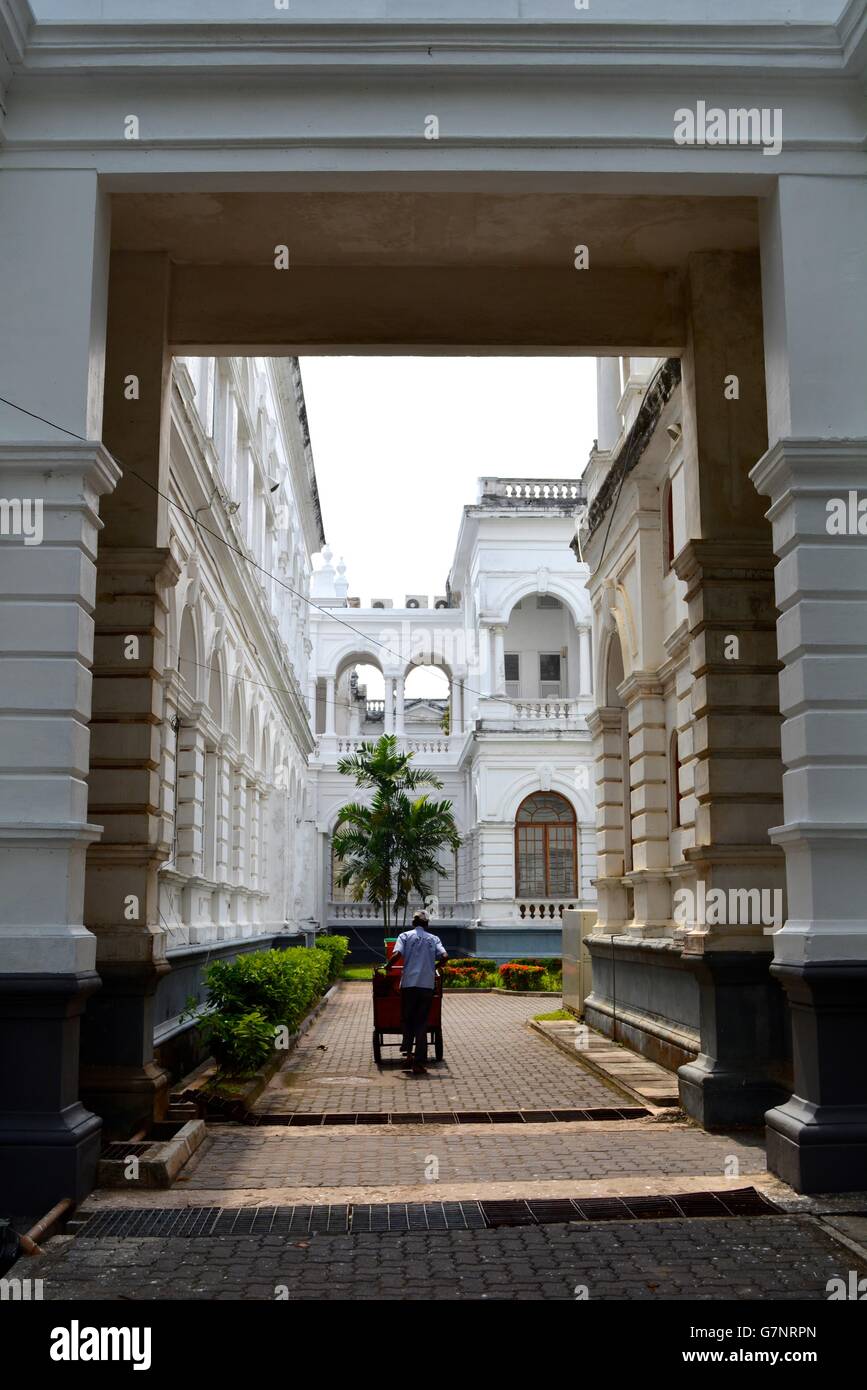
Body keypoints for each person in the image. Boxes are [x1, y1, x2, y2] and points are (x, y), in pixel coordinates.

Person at [390, 911, 447, 1075]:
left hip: (409, 984)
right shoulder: (433, 939)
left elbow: (397, 954)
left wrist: (387, 966)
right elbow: (445, 956)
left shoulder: (404, 936)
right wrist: (434, 967)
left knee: (407, 1019)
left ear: (413, 923)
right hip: (426, 986)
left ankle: (408, 1054)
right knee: (421, 1022)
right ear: (427, 924)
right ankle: (419, 1062)